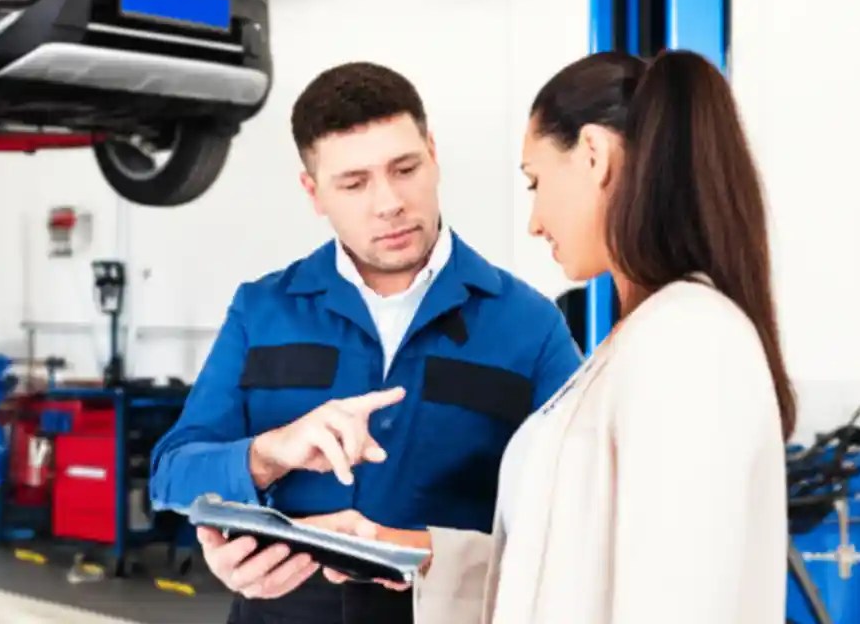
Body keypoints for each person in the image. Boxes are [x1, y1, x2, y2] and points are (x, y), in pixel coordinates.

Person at [306, 49, 796, 624]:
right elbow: (573, 567)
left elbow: (680, 603)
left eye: (535, 181)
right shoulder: (645, 338)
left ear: (593, 155)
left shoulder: (690, 342)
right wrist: (399, 549)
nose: (534, 222)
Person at [147, 61, 583, 624]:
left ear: (433, 154)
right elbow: (172, 473)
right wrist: (269, 454)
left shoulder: (530, 324)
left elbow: (572, 511)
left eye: (405, 168)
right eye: (354, 183)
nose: (388, 203)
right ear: (314, 192)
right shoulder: (262, 310)